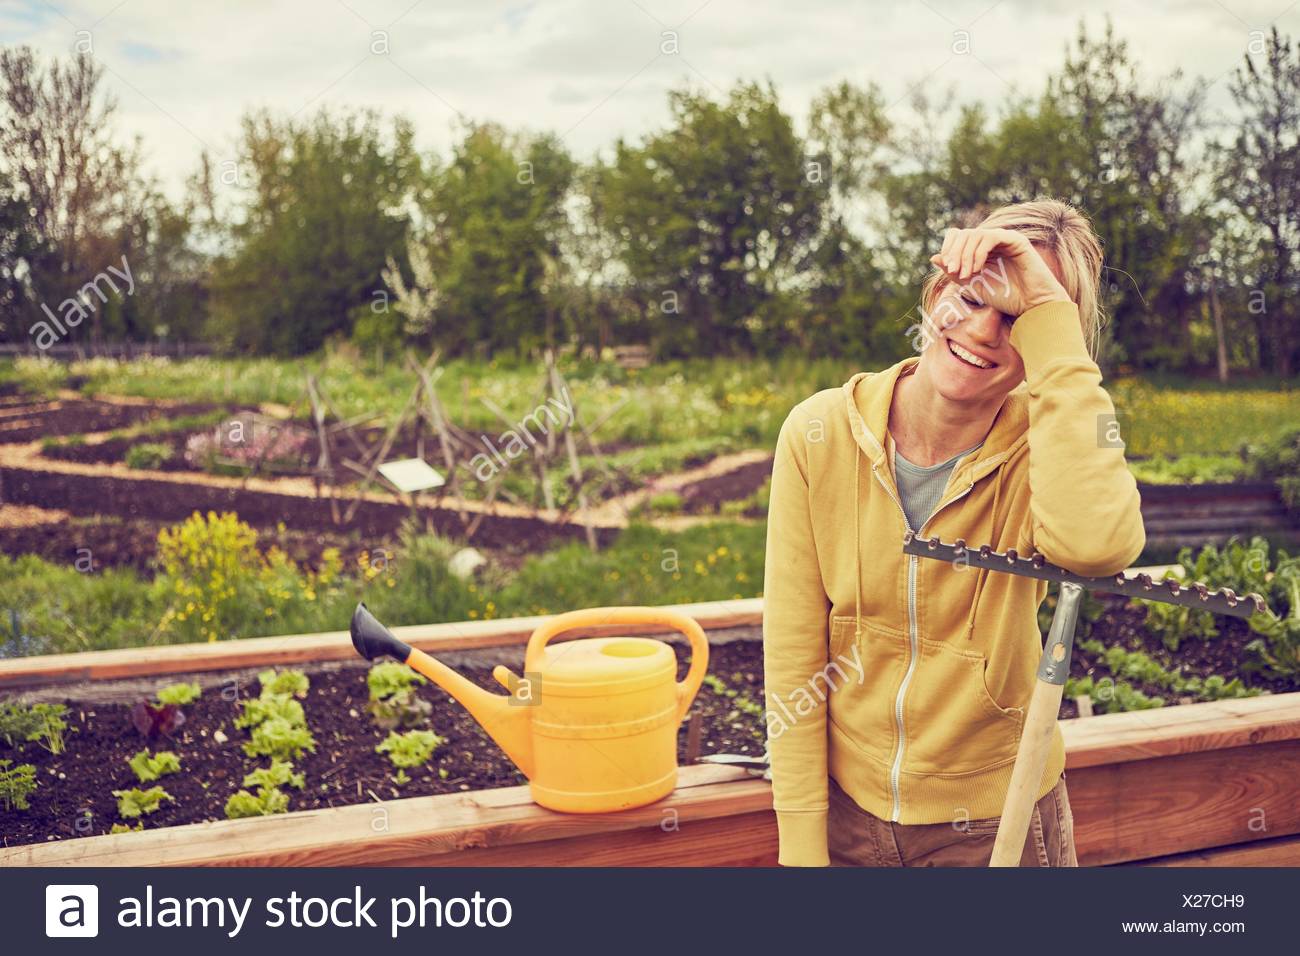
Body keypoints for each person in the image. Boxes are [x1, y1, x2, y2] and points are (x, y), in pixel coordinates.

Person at [761, 199, 1145, 867]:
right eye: (970, 300)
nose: (983, 332)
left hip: (1001, 820)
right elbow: (793, 655)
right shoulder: (818, 434)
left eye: (1018, 319)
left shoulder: (1046, 448)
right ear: (936, 292)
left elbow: (1097, 545)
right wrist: (801, 848)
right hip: (849, 819)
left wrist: (1055, 330)